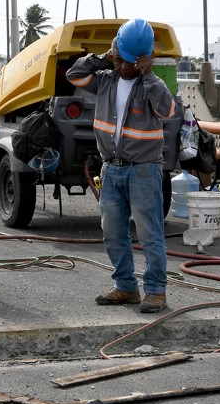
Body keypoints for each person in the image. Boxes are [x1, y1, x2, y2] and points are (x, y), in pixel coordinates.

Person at [66, 18, 176, 314]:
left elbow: (167, 110)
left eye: (131, 62)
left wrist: (149, 75)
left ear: (143, 60)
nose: (124, 67)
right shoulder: (105, 80)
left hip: (144, 170)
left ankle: (156, 291)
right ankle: (126, 286)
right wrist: (102, 58)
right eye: (120, 60)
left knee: (149, 233)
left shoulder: (151, 85)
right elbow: (74, 75)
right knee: (113, 231)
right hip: (111, 168)